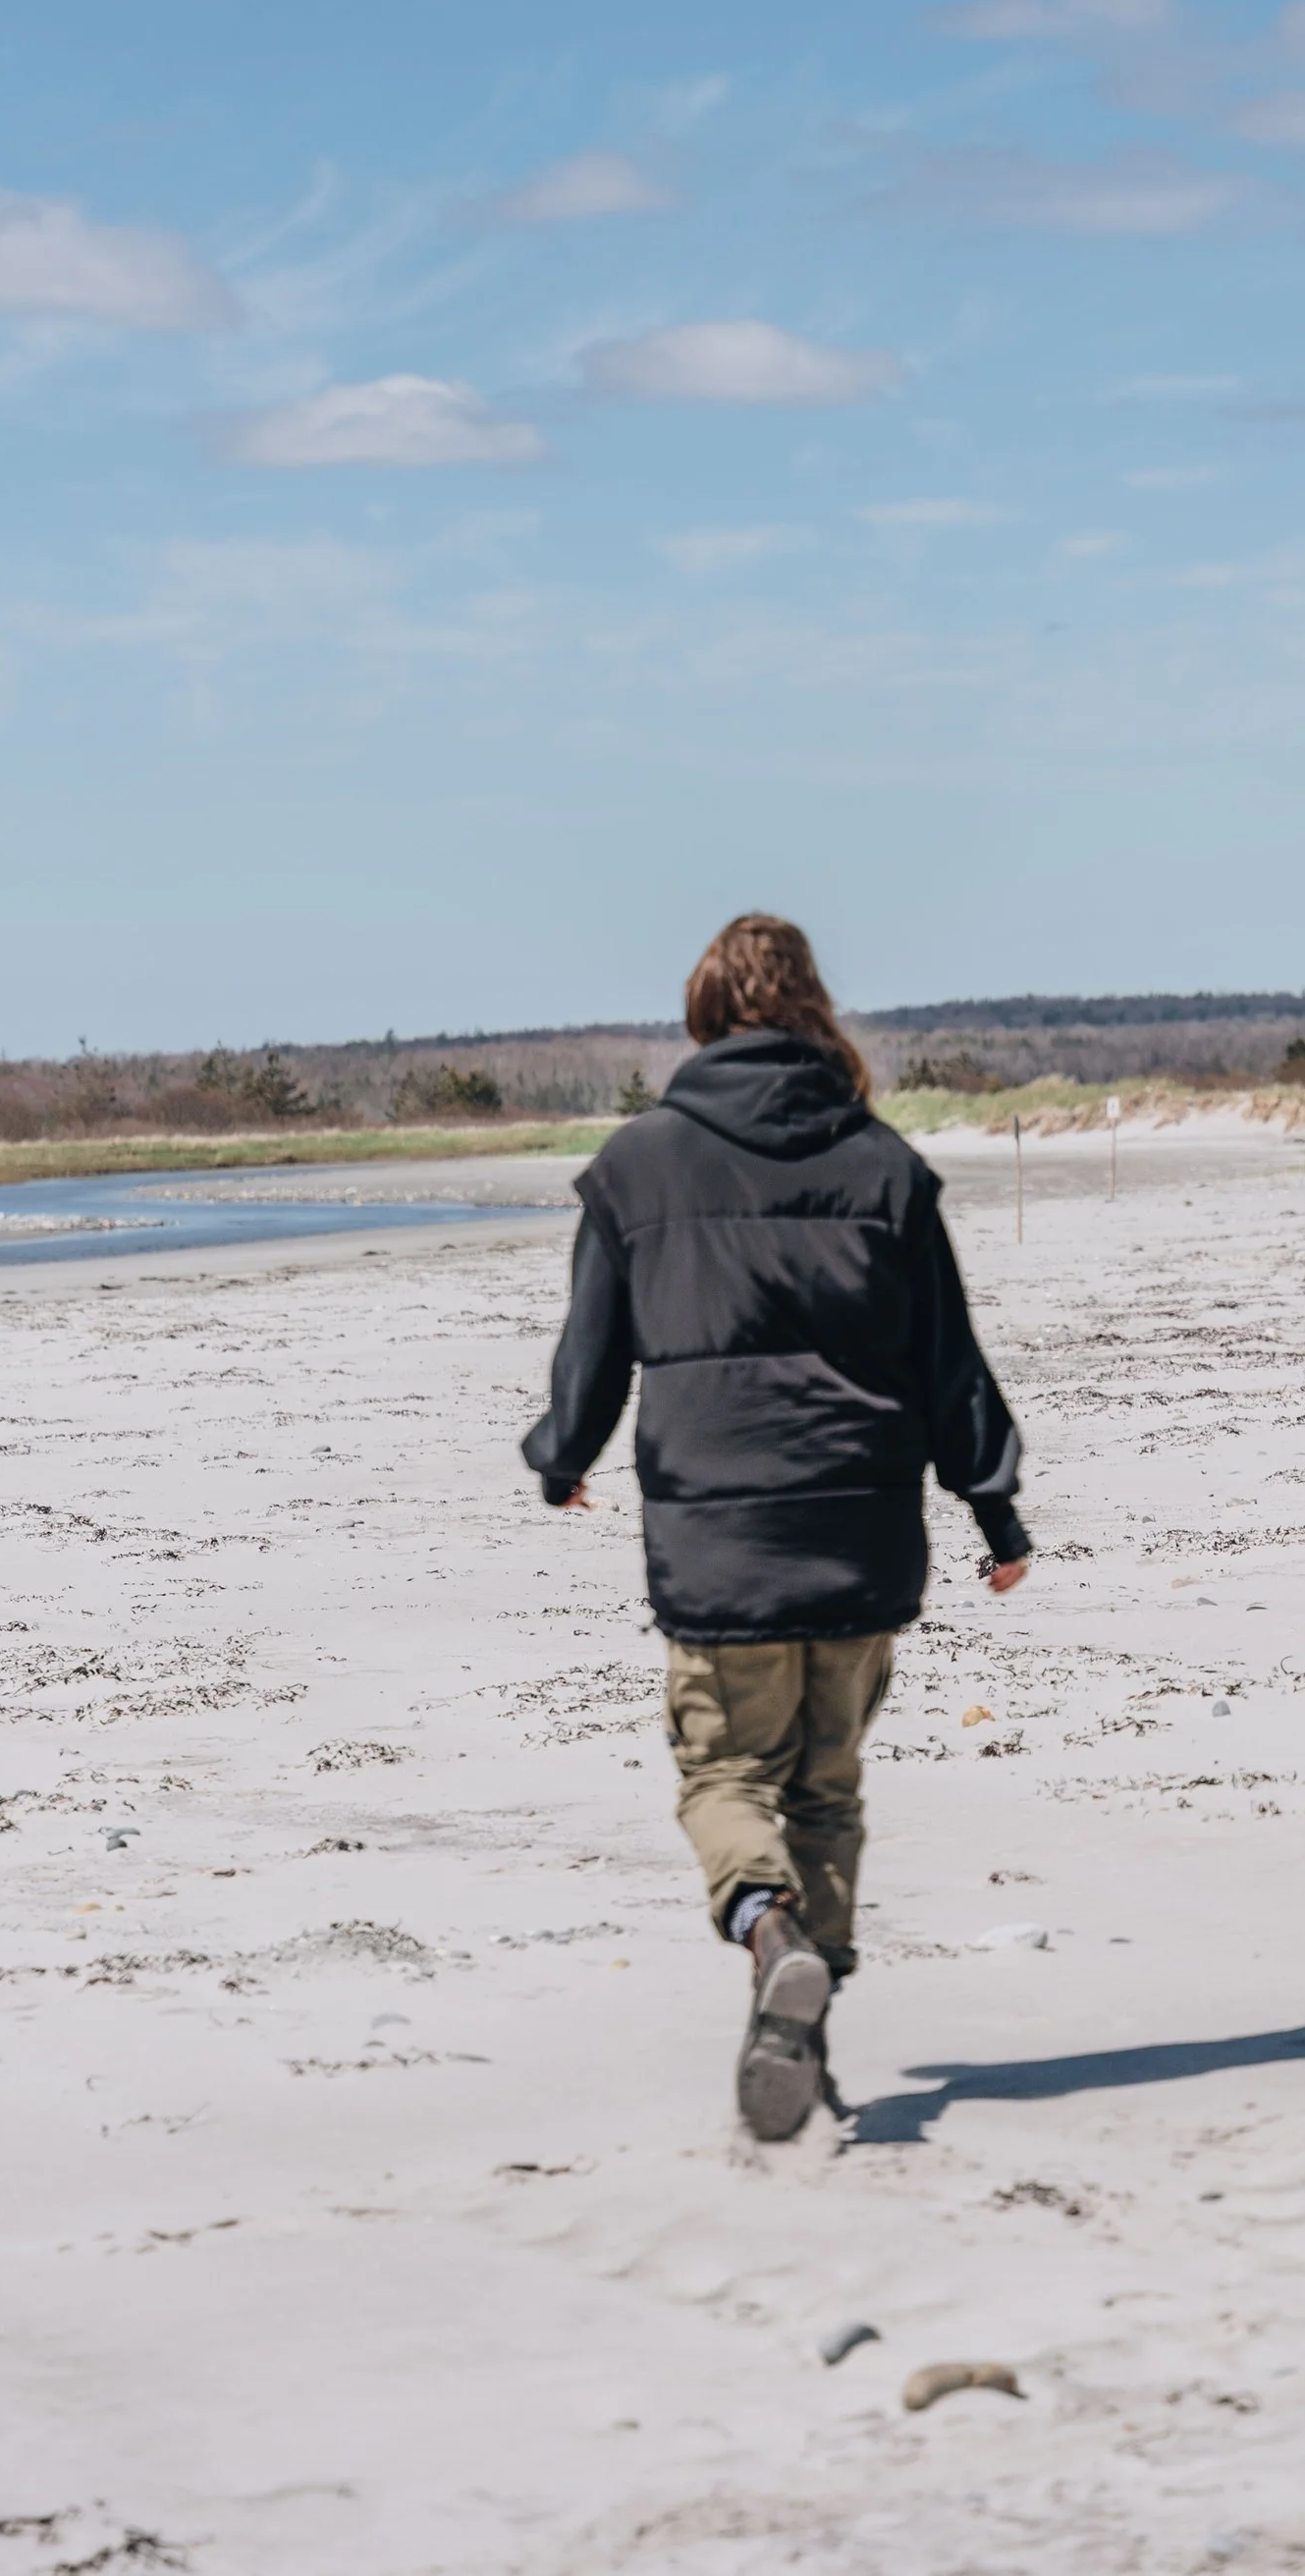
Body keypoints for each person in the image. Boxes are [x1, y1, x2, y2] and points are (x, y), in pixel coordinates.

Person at [521, 913, 1031, 2140]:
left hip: (718, 1543)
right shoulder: (882, 1163)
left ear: (702, 1018)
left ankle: (767, 1931)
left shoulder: (637, 1165)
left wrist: (562, 1459)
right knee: (828, 1788)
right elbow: (947, 1362)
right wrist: (995, 1508)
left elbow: (592, 1355)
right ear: (813, 1013)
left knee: (725, 1773)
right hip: (861, 1531)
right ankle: (810, 2013)